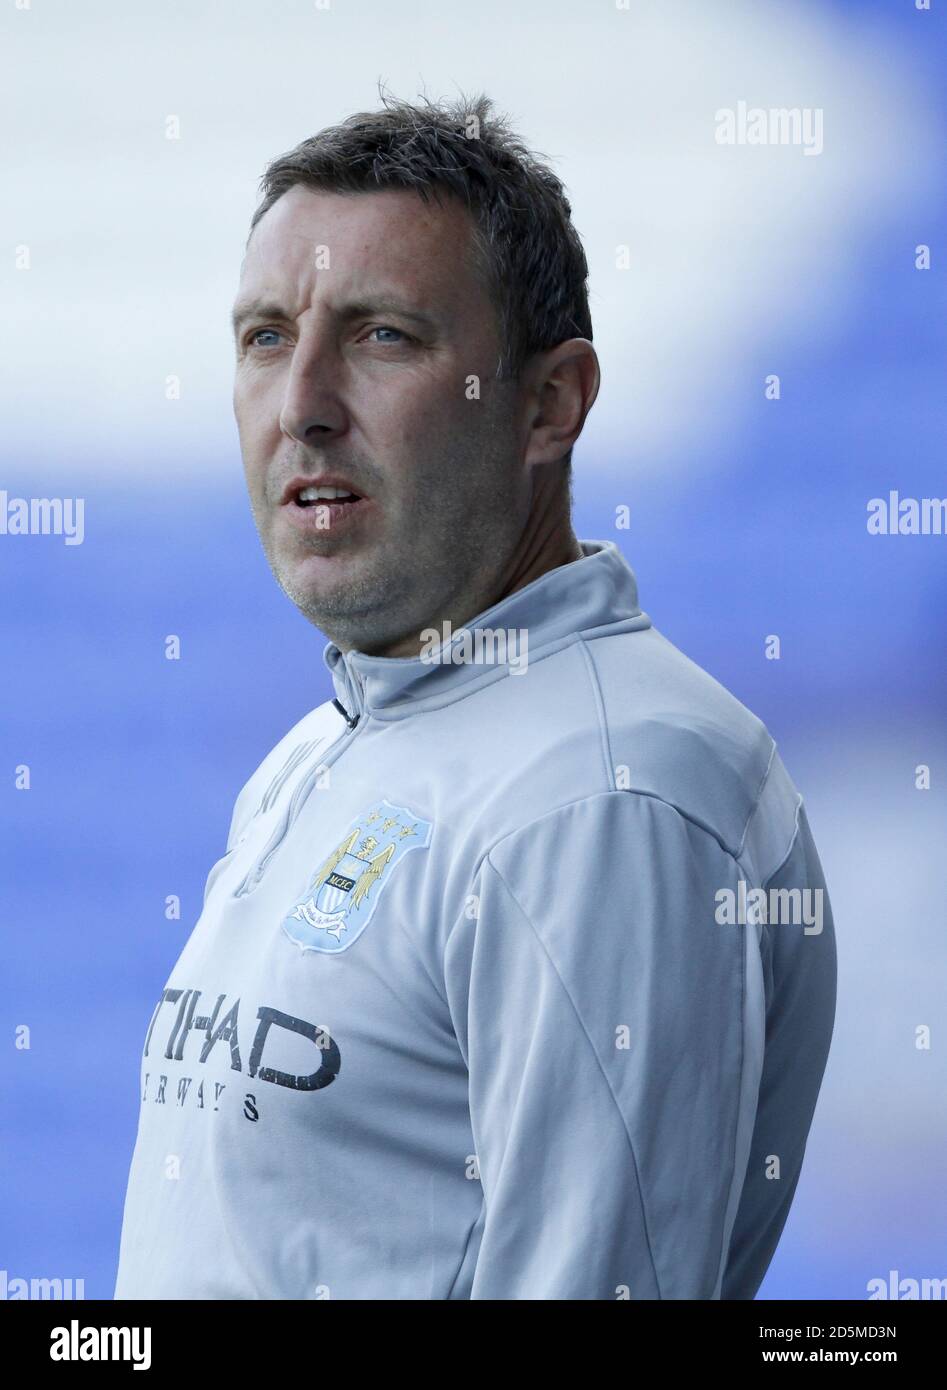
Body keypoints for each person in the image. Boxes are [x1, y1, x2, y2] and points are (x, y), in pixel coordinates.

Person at [114, 90, 837, 1300]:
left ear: (547, 402)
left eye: (382, 334)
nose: (300, 404)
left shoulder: (607, 791)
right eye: (262, 338)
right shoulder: (335, 739)